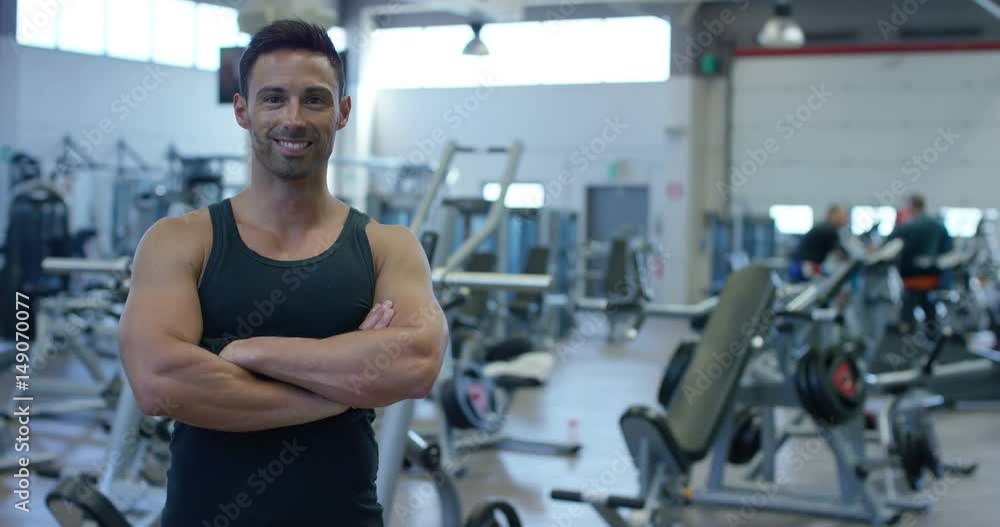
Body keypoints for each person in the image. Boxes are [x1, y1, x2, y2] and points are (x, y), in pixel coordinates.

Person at [118, 20, 449, 526]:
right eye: (273, 98)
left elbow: (416, 363)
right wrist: (344, 386)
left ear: (342, 113)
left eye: (314, 100)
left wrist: (249, 353)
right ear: (242, 110)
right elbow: (160, 383)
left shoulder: (387, 246)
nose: (293, 118)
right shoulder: (180, 240)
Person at [888, 194, 953, 336]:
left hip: (911, 279)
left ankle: (904, 340)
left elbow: (889, 245)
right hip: (932, 279)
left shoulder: (907, 226)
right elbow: (948, 252)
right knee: (930, 313)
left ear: (911, 206)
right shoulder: (938, 225)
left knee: (907, 313)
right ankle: (931, 342)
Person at [787, 205, 849, 283]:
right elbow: (840, 253)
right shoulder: (829, 230)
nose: (845, 219)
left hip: (798, 265)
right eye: (842, 216)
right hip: (804, 266)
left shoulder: (823, 226)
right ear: (832, 215)